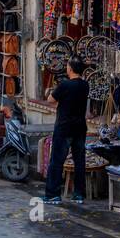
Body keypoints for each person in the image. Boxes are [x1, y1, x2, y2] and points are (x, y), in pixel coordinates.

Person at [44, 58, 90, 205]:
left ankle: (53, 194)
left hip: (64, 127)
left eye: (68, 66)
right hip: (80, 127)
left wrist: (52, 91)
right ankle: (79, 194)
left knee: (57, 161)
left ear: (70, 69)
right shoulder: (85, 85)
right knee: (79, 161)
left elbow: (50, 99)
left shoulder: (65, 85)